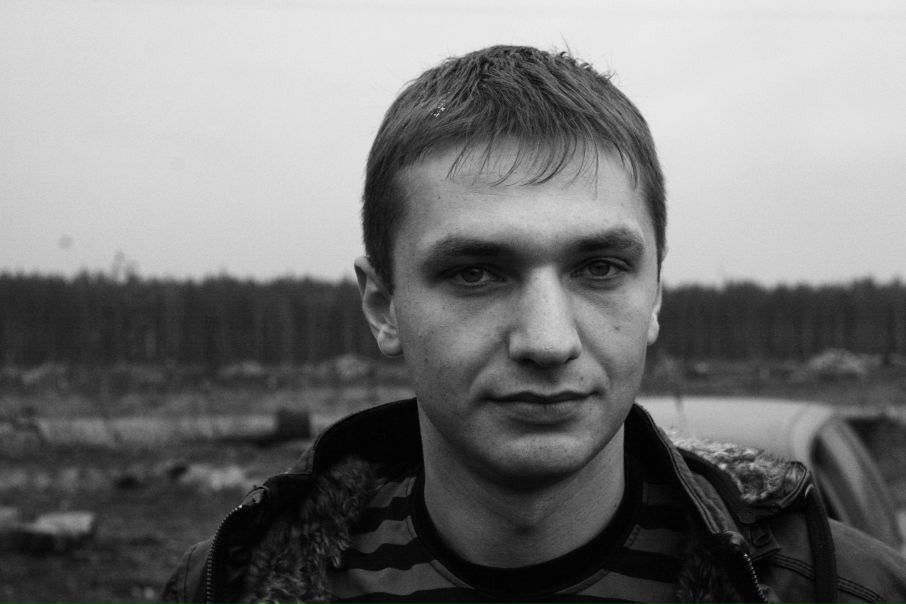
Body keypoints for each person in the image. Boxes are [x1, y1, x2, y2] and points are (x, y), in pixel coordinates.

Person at [162, 45, 906, 603]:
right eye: (475, 273)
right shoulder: (224, 587)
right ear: (384, 306)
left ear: (654, 295)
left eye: (600, 268)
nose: (548, 342)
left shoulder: (844, 591)